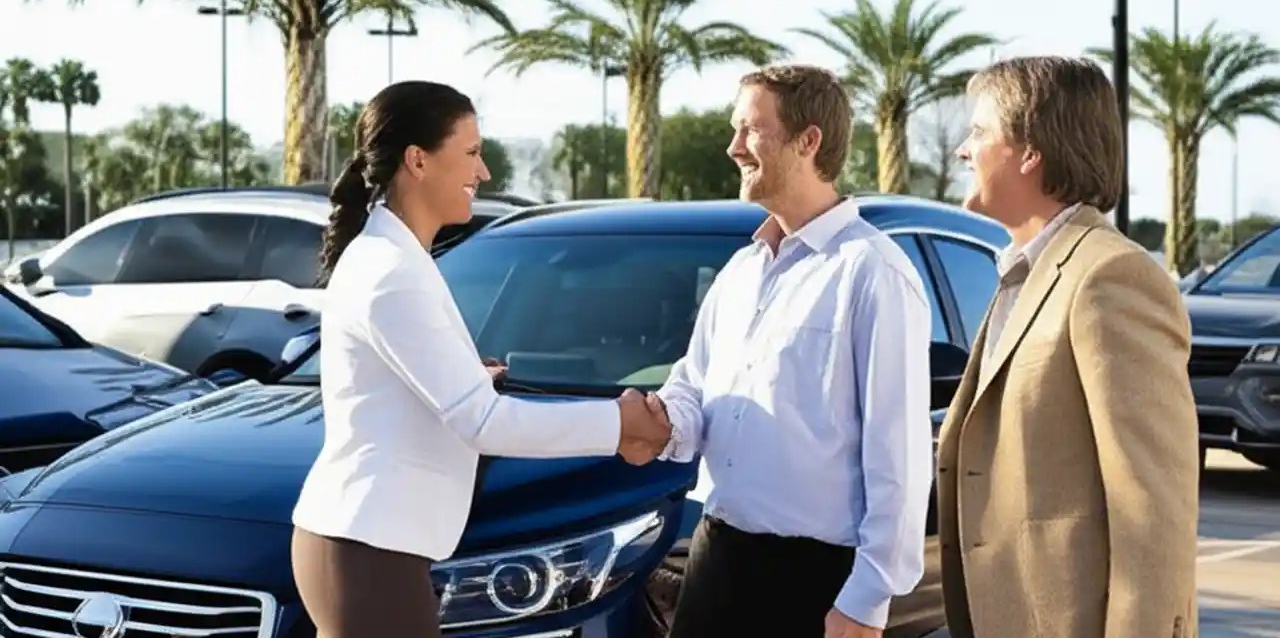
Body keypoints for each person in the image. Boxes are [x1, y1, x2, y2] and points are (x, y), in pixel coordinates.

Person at [289, 80, 671, 638]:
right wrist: (620, 422)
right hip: (368, 551)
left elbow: (408, 390)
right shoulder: (391, 270)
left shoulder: (390, 256)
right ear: (418, 160)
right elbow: (482, 421)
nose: (484, 171)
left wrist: (471, 378)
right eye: (470, 152)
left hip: (367, 547)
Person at [644, 64, 934, 638]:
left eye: (751, 130)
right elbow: (694, 386)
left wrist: (867, 599)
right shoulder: (742, 269)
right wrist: (657, 420)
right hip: (715, 559)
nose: (733, 148)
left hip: (816, 580)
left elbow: (898, 455)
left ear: (808, 140)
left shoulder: (872, 272)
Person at [935, 56, 1200, 638]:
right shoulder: (1022, 274)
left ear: (1030, 152)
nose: (963, 151)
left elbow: (1154, 507)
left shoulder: (1111, 277)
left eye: (979, 133)